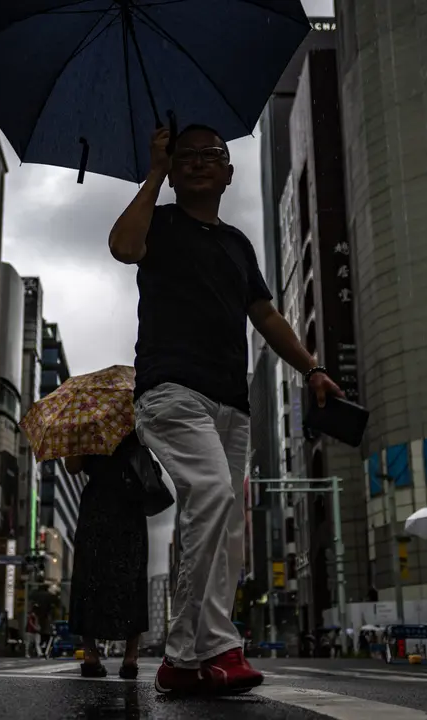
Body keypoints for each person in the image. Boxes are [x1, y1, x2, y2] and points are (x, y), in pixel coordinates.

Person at [109, 124, 342, 695]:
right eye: (185, 155)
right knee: (212, 495)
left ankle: (186, 660)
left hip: (230, 402)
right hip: (170, 391)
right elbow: (122, 248)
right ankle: (208, 648)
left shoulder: (238, 244)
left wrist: (311, 368)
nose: (197, 162)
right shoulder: (159, 222)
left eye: (210, 154)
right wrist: (154, 173)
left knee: (228, 527)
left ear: (229, 172)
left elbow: (266, 316)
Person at [64, 439, 150, 680]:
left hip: (96, 502)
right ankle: (131, 657)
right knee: (132, 574)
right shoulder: (131, 413)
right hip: (129, 499)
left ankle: (90, 654)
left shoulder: (84, 421)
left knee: (88, 573)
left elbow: (72, 467)